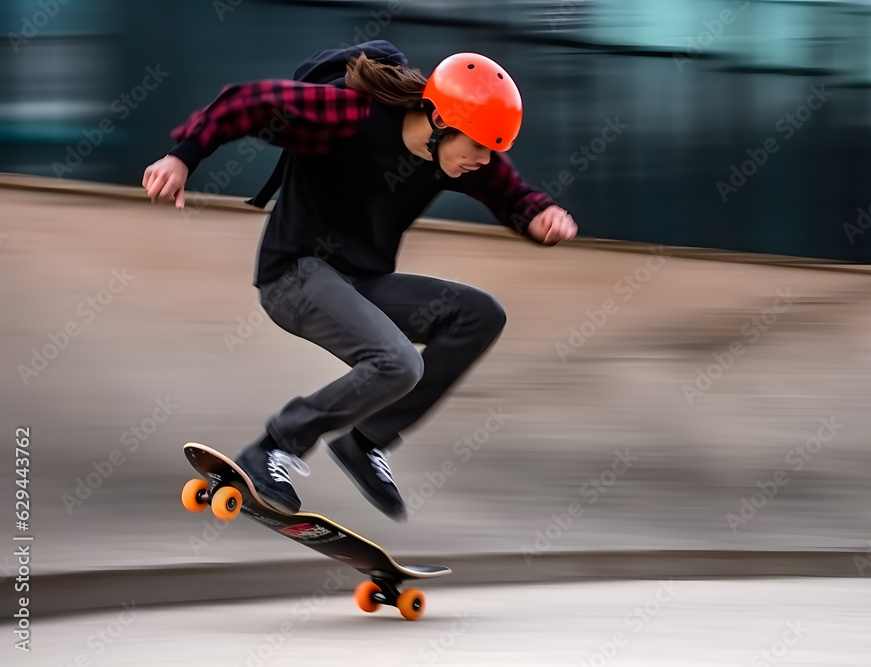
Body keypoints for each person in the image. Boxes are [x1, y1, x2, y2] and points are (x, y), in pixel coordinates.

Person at [142, 49, 577, 522]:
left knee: (478, 314)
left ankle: (365, 441)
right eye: (478, 146)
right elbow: (246, 101)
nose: (485, 159)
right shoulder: (352, 114)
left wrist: (539, 214)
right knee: (398, 363)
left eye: (493, 148)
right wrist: (183, 156)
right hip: (294, 274)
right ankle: (273, 449)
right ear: (437, 119)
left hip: (362, 283)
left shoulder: (457, 153)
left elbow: (512, 194)